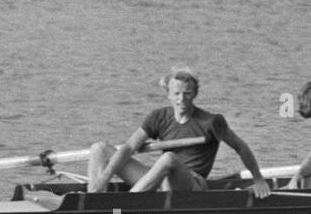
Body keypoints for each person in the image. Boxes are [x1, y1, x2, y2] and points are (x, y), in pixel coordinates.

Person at [87, 69, 270, 198]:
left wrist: (259, 179)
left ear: (195, 94)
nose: (181, 100)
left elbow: (241, 147)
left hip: (192, 184)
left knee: (169, 158)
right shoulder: (157, 117)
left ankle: (125, 203)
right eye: (176, 94)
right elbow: (129, 147)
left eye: (187, 94)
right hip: (161, 180)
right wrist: (105, 178)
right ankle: (93, 195)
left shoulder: (212, 122)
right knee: (99, 149)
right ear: (168, 94)